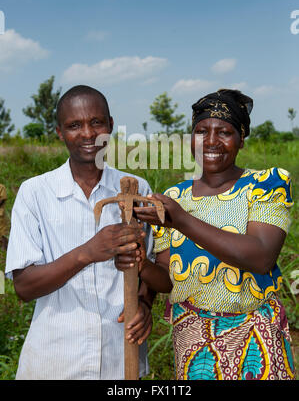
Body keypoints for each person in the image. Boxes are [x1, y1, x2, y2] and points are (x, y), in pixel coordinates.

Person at [117, 89, 296, 380]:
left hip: (254, 337)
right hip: (194, 342)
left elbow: (261, 256)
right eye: (201, 131)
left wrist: (180, 219)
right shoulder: (175, 196)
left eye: (224, 132)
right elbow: (166, 278)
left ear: (241, 137)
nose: (211, 141)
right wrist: (142, 265)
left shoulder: (266, 184)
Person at [5, 85, 155, 380]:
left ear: (110, 125)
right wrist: (86, 253)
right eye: (74, 125)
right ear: (60, 132)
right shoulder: (35, 193)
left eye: (96, 122)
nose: (88, 133)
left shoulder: (135, 189)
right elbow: (24, 287)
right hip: (55, 361)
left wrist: (145, 304)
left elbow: (147, 267)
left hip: (120, 356)